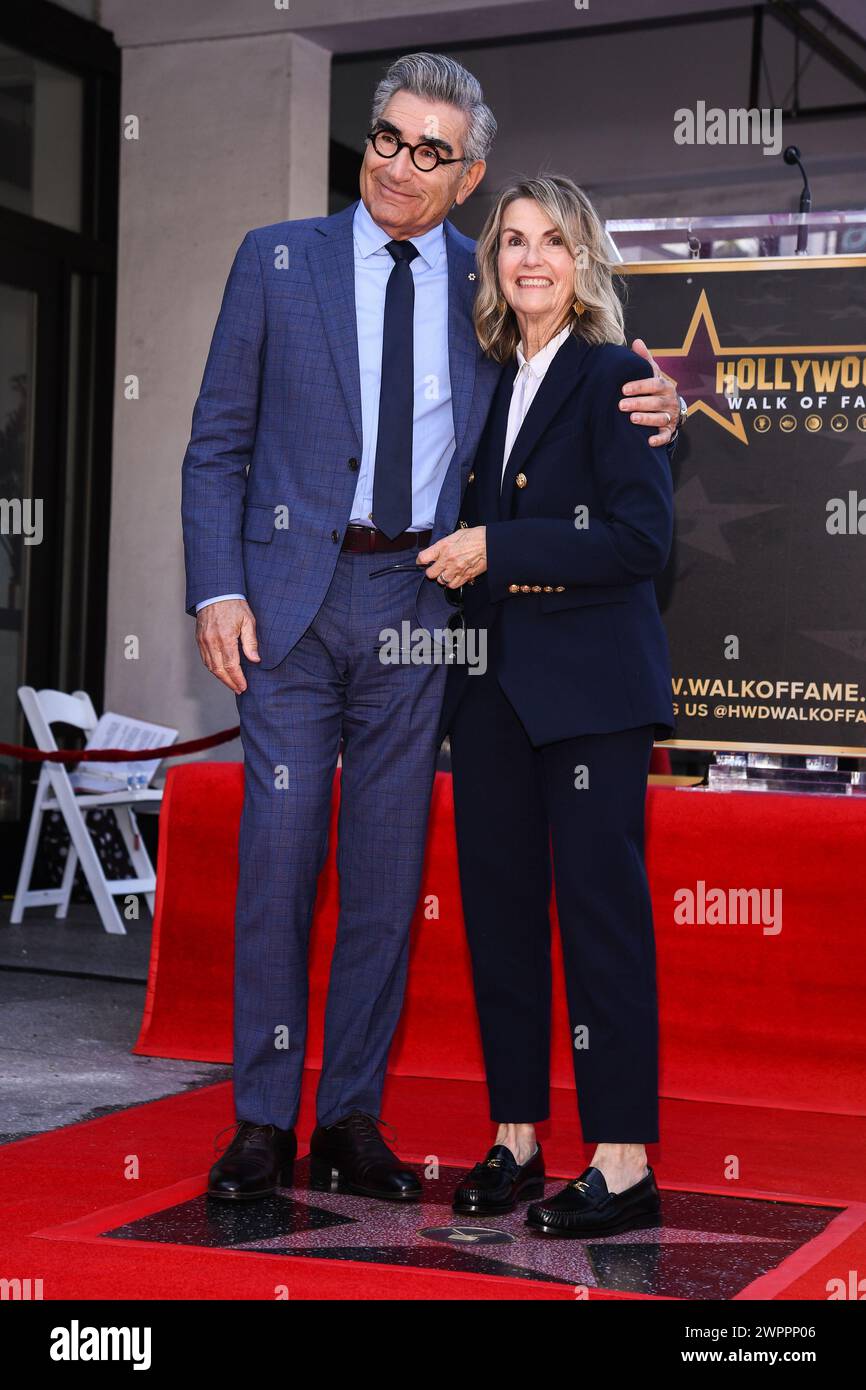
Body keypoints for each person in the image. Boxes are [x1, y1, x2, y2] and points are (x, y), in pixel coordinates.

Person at [181, 53, 683, 1203]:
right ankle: (262, 1119)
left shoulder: (489, 282)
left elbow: (588, 388)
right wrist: (218, 587)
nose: (398, 164)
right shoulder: (274, 260)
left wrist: (665, 401)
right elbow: (215, 441)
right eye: (387, 137)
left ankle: (351, 1112)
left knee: (386, 871)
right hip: (290, 611)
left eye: (430, 152)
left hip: (425, 614)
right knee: (278, 860)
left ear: (468, 177)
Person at [421, 176, 676, 1237]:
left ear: (582, 262)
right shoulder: (485, 384)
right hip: (488, 695)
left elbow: (639, 542)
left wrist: (499, 547)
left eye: (552, 241)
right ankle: (515, 1138)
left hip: (590, 700)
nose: (529, 257)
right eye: (511, 240)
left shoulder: (617, 374)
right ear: (493, 263)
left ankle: (621, 1164)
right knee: (501, 924)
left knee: (602, 925)